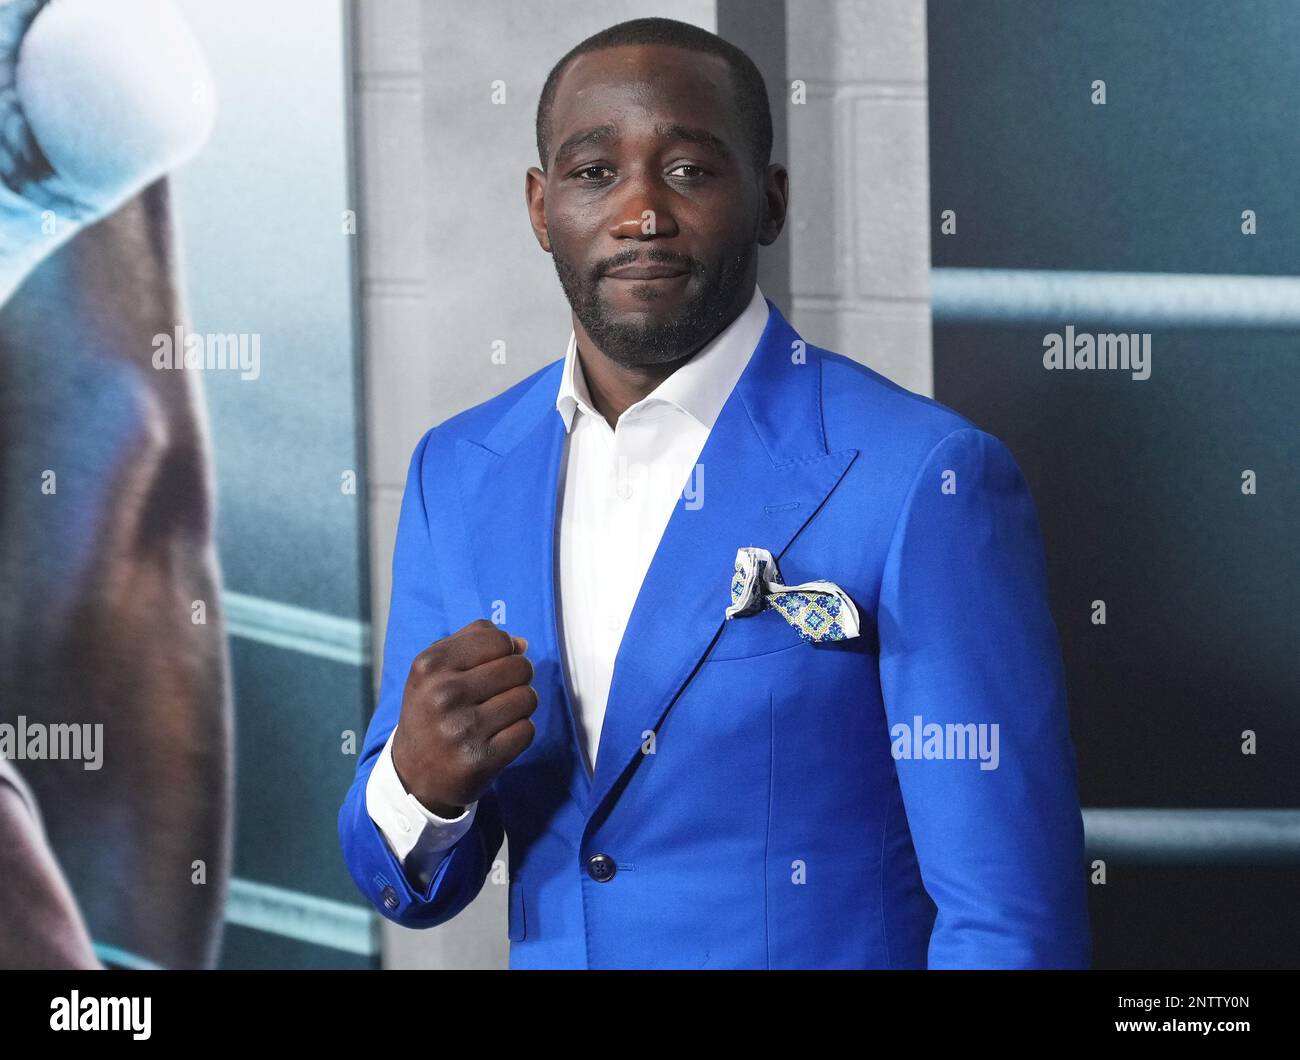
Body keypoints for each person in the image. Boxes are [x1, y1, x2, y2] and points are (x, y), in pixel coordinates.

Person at [338, 16, 1090, 969]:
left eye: (690, 170)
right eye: (592, 172)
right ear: (539, 206)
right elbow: (402, 887)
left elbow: (1011, 923)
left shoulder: (924, 477)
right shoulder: (458, 469)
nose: (641, 213)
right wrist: (418, 785)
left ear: (770, 200)